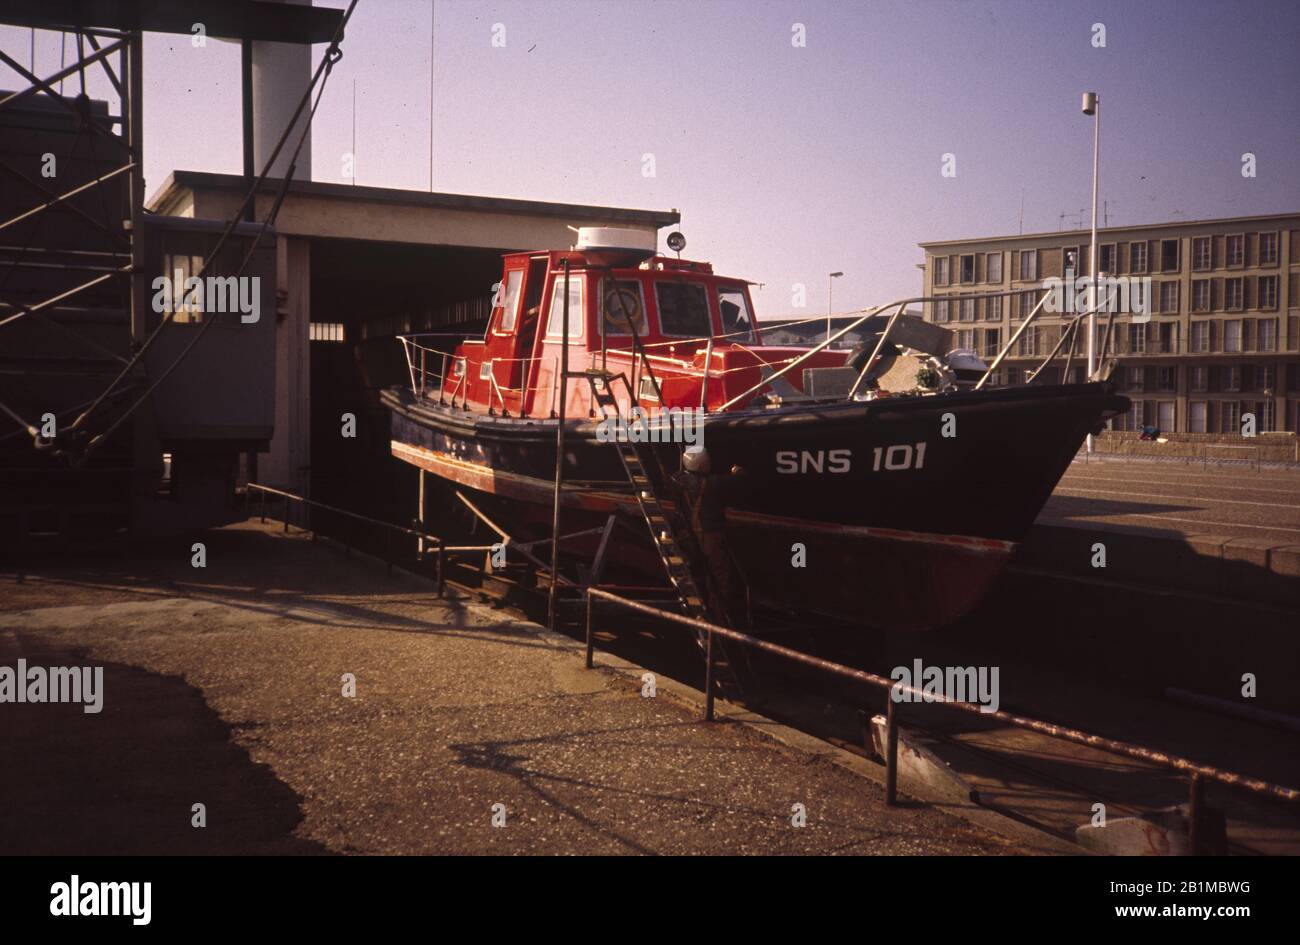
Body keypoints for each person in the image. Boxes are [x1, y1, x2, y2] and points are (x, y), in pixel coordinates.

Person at [670, 446, 749, 627]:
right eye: (706, 461)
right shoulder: (712, 483)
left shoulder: (677, 480)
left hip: (687, 535)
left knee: (696, 571)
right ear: (700, 465)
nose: (709, 464)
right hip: (709, 536)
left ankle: (697, 607)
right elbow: (737, 480)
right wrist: (738, 471)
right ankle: (720, 617)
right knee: (720, 575)